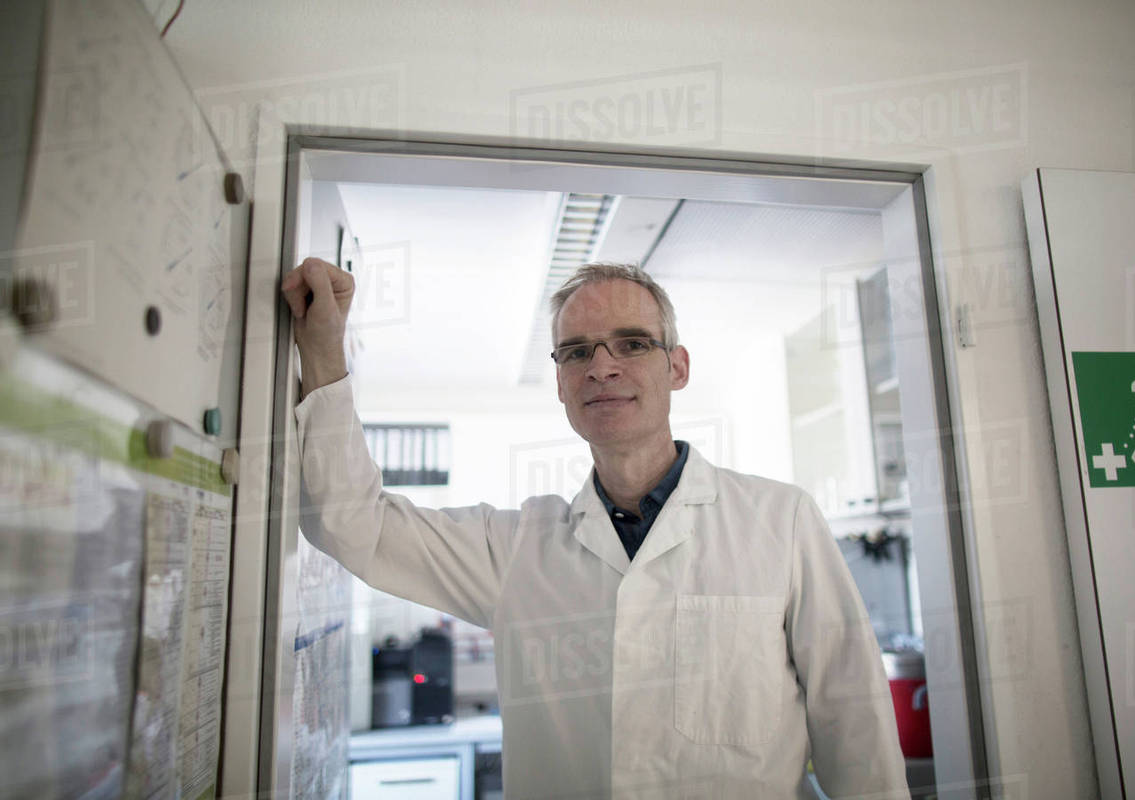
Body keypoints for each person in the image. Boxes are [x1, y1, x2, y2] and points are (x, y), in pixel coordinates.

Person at [281, 257, 908, 799]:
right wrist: (323, 352)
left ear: (677, 368)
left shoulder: (782, 521)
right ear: (559, 380)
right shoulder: (515, 548)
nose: (601, 367)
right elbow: (351, 524)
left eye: (632, 343)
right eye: (577, 351)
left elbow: (856, 729)